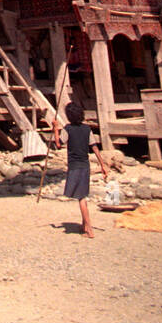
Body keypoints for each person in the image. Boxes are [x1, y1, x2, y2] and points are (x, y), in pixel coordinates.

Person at [53, 99, 108, 239]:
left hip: (75, 166)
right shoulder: (87, 129)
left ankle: (89, 229)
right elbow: (94, 146)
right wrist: (102, 164)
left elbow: (59, 144)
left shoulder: (67, 129)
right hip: (85, 165)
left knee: (81, 197)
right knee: (82, 194)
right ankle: (84, 225)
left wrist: (55, 129)